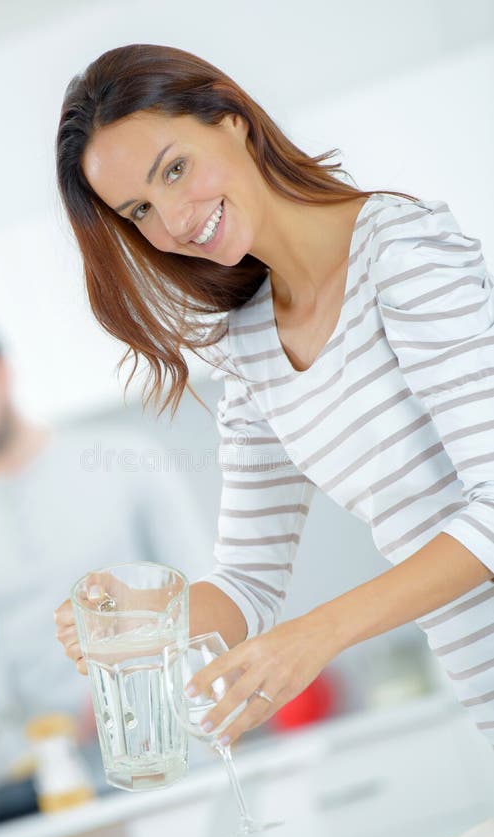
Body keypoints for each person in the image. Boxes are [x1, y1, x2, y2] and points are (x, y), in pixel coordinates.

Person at [53, 43, 494, 751]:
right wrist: (143, 617)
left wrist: (318, 634)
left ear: (232, 121)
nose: (170, 221)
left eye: (174, 168)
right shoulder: (249, 344)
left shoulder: (398, 250)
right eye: (139, 208)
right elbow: (247, 588)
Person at [0, 318, 211, 755]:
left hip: (167, 738)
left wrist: (132, 685)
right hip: (51, 768)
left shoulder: (125, 460)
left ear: (1, 374)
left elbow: (202, 594)